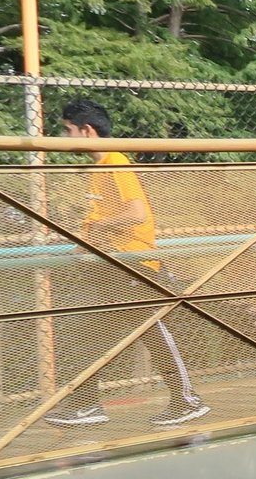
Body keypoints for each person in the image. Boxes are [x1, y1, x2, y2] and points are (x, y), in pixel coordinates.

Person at [47, 100, 209, 428]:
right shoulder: (98, 170)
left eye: (68, 130)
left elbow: (137, 214)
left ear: (87, 131)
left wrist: (99, 229)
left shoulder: (114, 161)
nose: (64, 138)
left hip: (136, 265)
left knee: (151, 331)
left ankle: (187, 400)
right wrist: (84, 246)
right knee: (88, 331)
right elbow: (103, 219)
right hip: (114, 266)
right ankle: (87, 405)